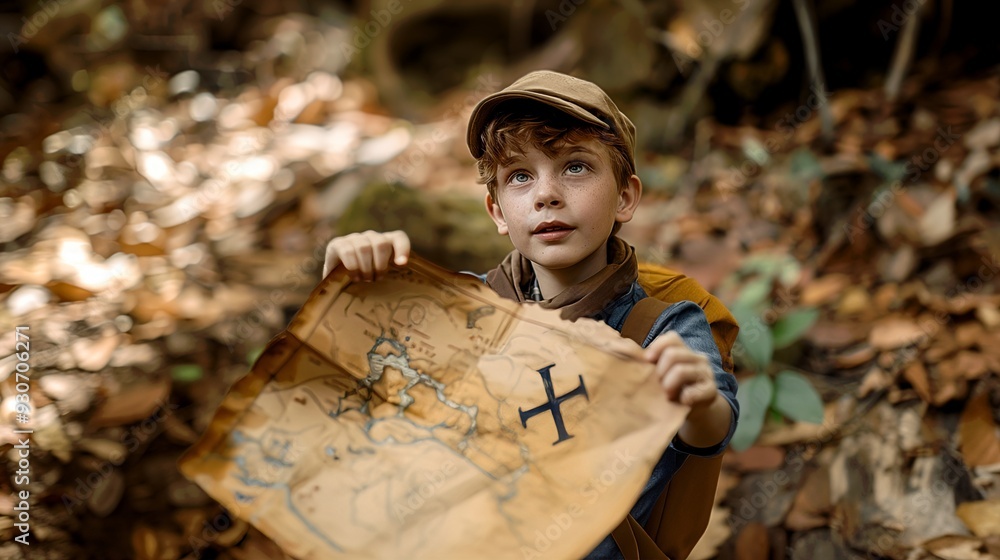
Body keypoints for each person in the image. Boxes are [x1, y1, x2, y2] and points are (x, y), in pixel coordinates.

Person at [321, 70, 739, 559]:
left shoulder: (662, 326)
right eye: (520, 176)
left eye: (575, 167)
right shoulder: (461, 307)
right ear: (497, 212)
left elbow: (711, 429)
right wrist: (348, 295)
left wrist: (697, 401)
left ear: (625, 197)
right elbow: (360, 395)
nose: (546, 194)